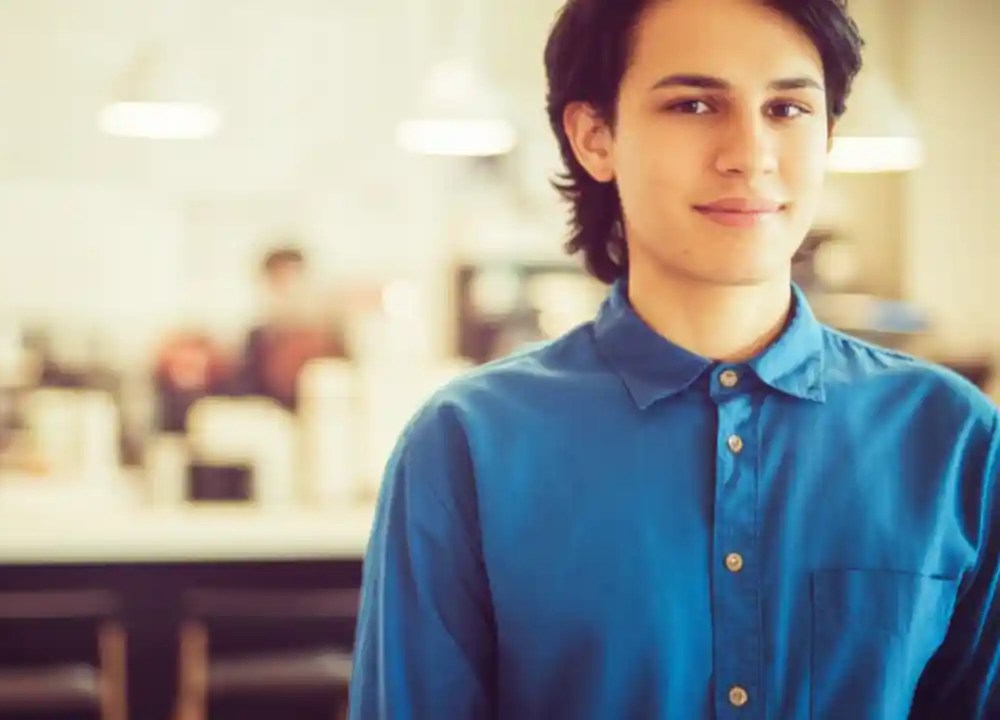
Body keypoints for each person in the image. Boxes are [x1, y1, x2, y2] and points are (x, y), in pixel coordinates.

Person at [348, 0, 999, 718]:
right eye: (694, 104)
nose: (749, 153)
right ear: (595, 136)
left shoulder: (954, 441)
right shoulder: (466, 445)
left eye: (787, 110)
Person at [236, 246, 345, 411]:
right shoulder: (259, 339)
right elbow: (245, 393)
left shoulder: (327, 336)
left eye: (291, 280)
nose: (286, 290)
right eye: (278, 281)